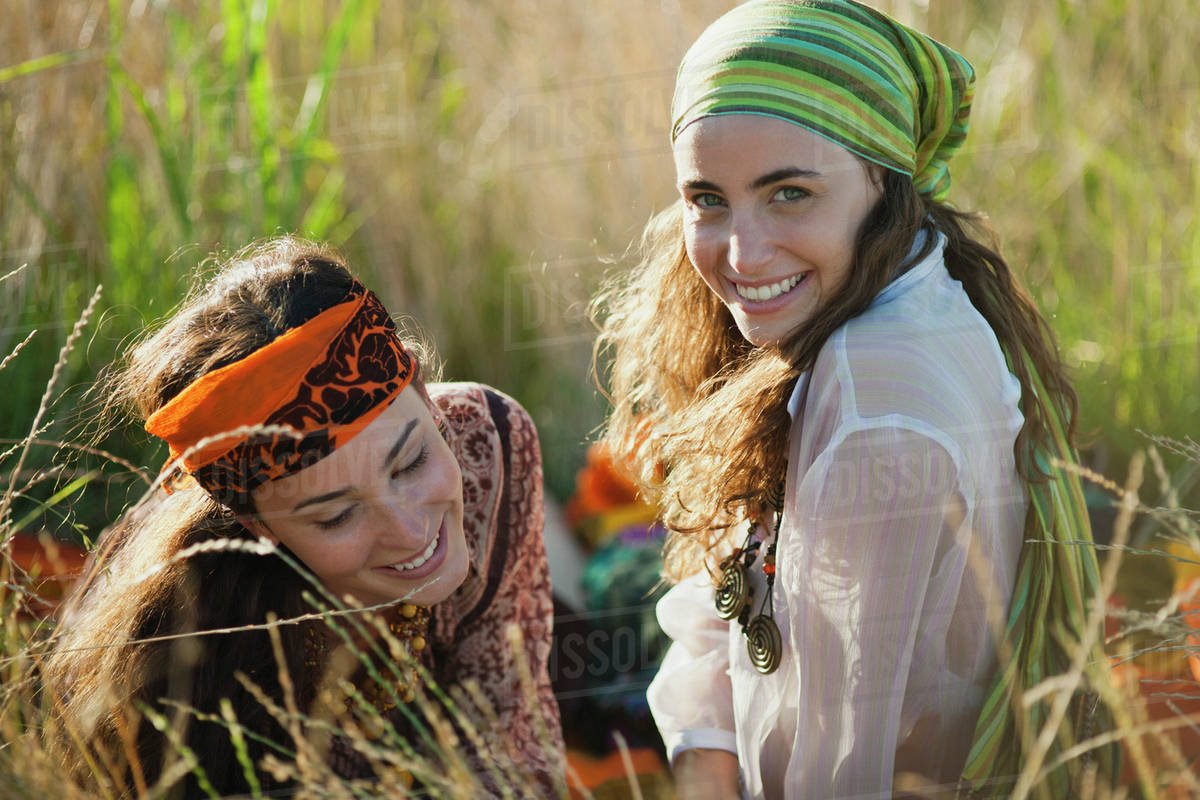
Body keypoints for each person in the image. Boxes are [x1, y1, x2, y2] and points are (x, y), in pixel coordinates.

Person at [595, 1, 1115, 797]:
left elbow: (838, 774)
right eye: (707, 198)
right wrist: (705, 761)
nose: (742, 253)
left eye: (789, 193)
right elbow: (731, 578)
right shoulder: (879, 285)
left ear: (882, 176)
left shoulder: (880, 413)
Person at [42, 238, 566, 798]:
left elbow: (514, 737)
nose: (413, 533)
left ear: (427, 401)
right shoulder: (197, 641)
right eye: (337, 516)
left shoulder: (485, 439)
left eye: (411, 461)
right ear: (259, 529)